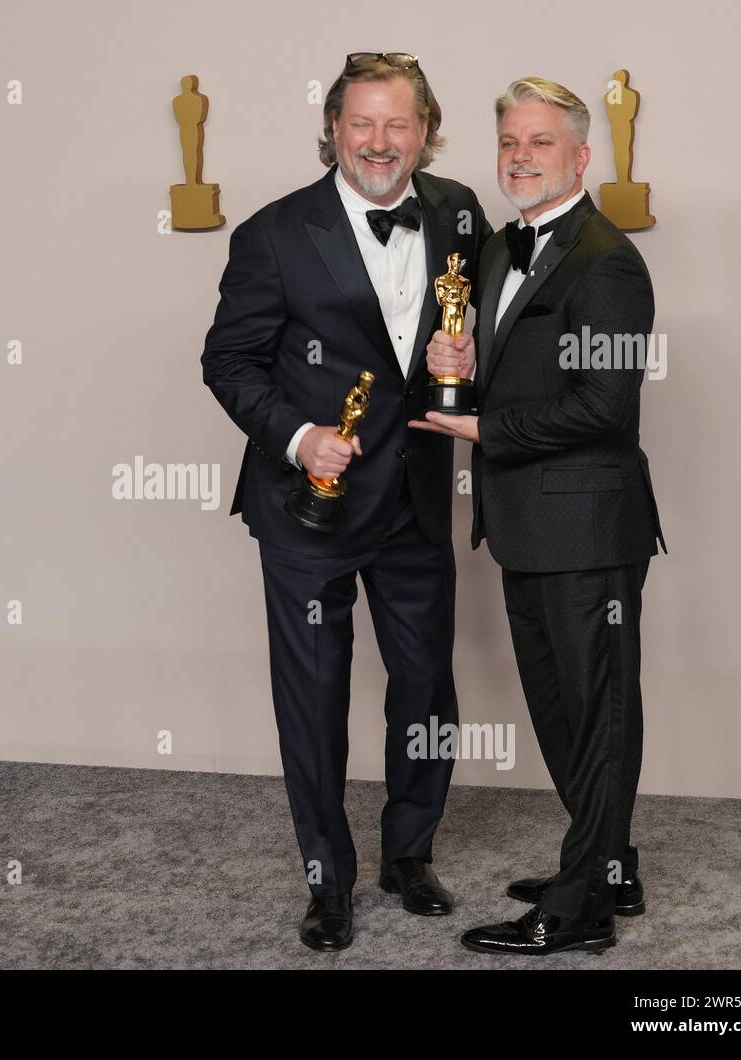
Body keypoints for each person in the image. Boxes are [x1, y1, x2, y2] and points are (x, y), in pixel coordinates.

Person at [202, 53, 491, 951]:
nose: (379, 142)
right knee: (316, 696)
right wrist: (297, 437)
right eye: (361, 124)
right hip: (308, 508)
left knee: (426, 688)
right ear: (332, 129)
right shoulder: (274, 234)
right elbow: (228, 362)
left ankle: (412, 851)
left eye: (397, 124)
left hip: (414, 500)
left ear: (425, 132)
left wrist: (468, 355)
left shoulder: (457, 212)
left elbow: (464, 327)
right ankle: (328, 880)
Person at [410, 77, 664, 955]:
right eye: (510, 142)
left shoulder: (610, 260)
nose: (520, 156)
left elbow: (608, 409)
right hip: (522, 523)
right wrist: (463, 362)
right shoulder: (498, 250)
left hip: (589, 528)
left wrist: (484, 425)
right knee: (561, 711)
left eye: (540, 143)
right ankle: (609, 865)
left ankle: (581, 907)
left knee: (597, 713)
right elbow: (521, 374)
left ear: (581, 156)